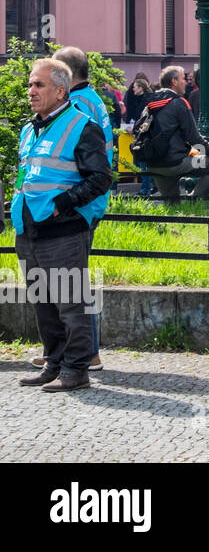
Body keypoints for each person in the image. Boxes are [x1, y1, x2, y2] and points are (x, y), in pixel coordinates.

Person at [11, 59, 111, 391]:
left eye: (38, 85)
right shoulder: (30, 128)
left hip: (63, 230)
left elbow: (100, 179)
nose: (31, 91)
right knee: (43, 303)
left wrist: (61, 205)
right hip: (29, 229)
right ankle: (54, 362)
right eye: (29, 84)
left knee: (72, 303)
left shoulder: (82, 126)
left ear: (59, 90)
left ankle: (76, 370)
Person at [51, 47, 112, 371]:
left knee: (72, 280)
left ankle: (87, 352)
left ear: (66, 74)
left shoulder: (77, 104)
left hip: (81, 204)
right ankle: (67, 350)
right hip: (86, 202)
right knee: (68, 278)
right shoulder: (91, 98)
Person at [144, 66, 209, 201]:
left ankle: (178, 217)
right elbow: (194, 137)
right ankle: (194, 200)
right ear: (174, 81)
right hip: (176, 162)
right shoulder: (179, 103)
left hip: (154, 163)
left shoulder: (151, 103)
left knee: (172, 205)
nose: (186, 82)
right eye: (183, 79)